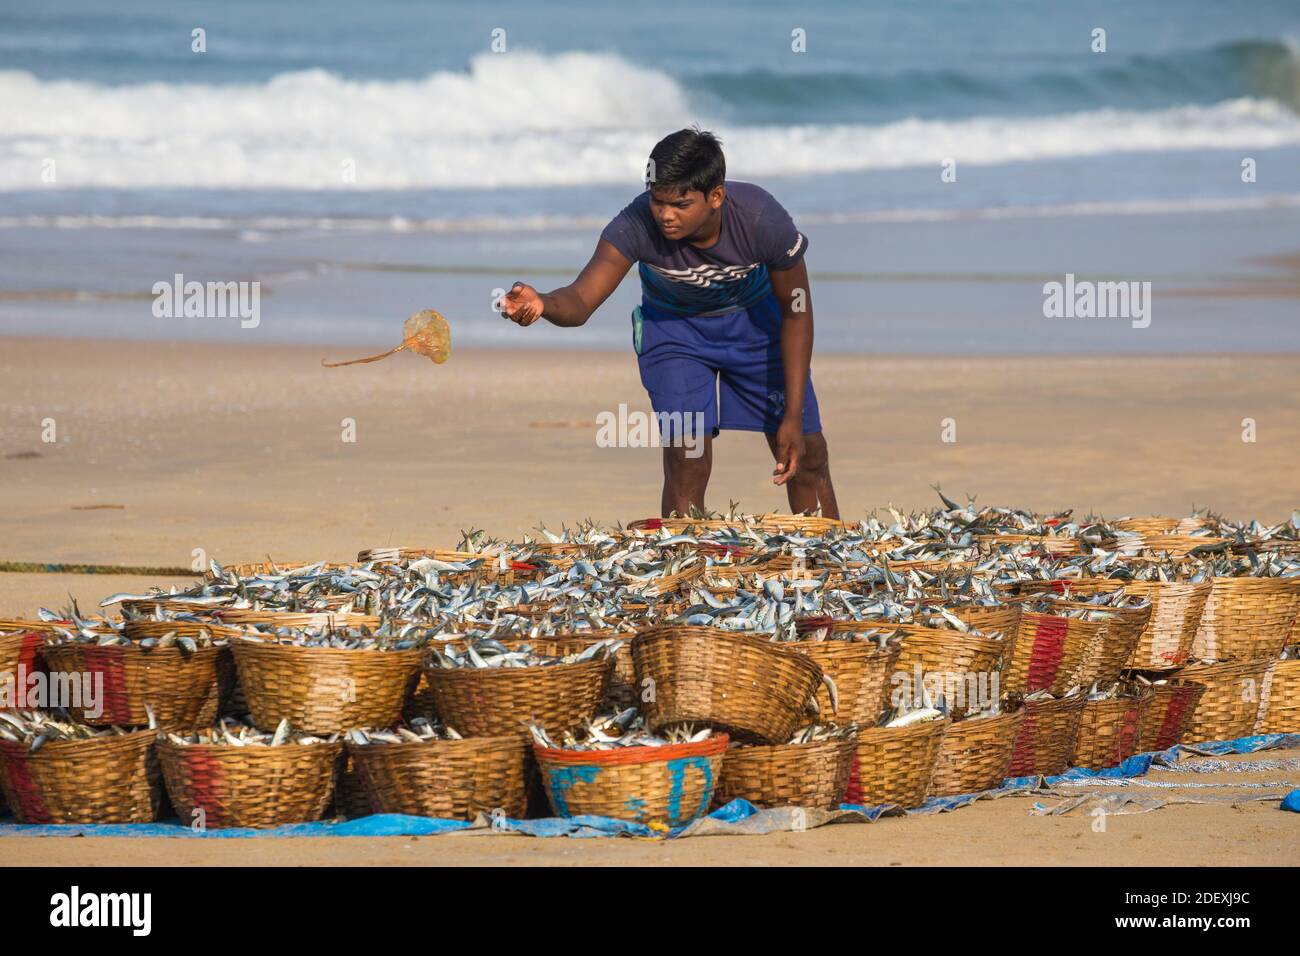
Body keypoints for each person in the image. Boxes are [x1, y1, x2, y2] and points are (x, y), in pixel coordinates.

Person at [500, 127, 838, 519]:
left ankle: (827, 564)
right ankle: (684, 567)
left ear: (716, 196)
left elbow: (796, 311)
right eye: (658, 201)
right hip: (674, 333)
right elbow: (580, 300)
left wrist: (792, 416)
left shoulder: (763, 221)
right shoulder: (636, 224)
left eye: (679, 204)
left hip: (755, 328)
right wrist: (543, 303)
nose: (664, 215)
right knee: (687, 456)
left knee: (807, 455)